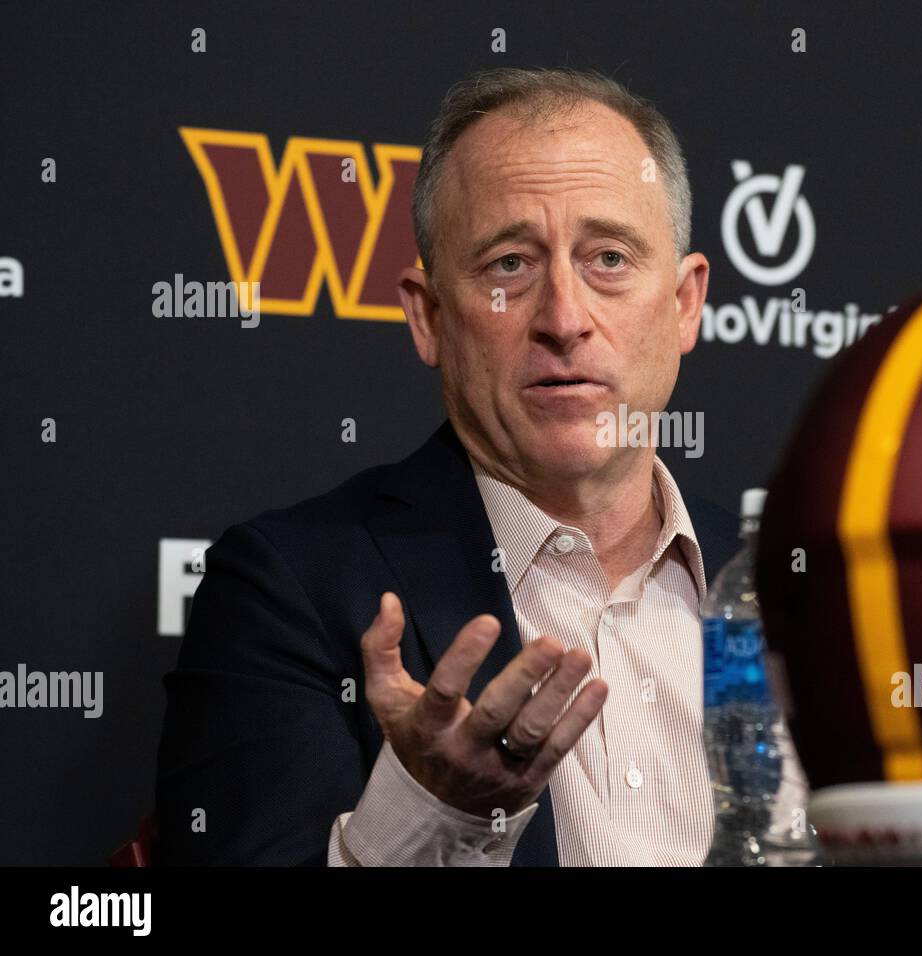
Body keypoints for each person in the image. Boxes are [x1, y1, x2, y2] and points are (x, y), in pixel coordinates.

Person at [154, 66, 736, 866]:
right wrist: (431, 813)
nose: (565, 319)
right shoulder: (289, 590)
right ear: (428, 317)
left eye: (608, 257)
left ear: (683, 304)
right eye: (509, 266)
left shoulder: (801, 582)